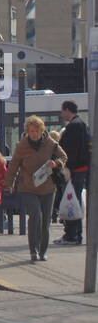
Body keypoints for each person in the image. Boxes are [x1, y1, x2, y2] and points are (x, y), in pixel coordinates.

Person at [3, 115, 67, 263]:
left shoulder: (50, 143)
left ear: (42, 130)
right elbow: (13, 166)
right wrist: (9, 184)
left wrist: (56, 163)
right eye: (31, 131)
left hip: (48, 187)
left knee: (45, 220)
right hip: (28, 187)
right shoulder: (22, 145)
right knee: (35, 216)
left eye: (36, 131)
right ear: (27, 131)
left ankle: (42, 251)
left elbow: (63, 157)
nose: (34, 134)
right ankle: (33, 250)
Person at [57, 101, 90, 246]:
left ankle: (71, 235)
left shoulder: (73, 126)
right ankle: (76, 234)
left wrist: (67, 168)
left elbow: (71, 150)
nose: (62, 114)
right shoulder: (82, 124)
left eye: (62, 111)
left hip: (73, 171)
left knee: (70, 202)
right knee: (74, 203)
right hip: (81, 170)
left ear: (67, 110)